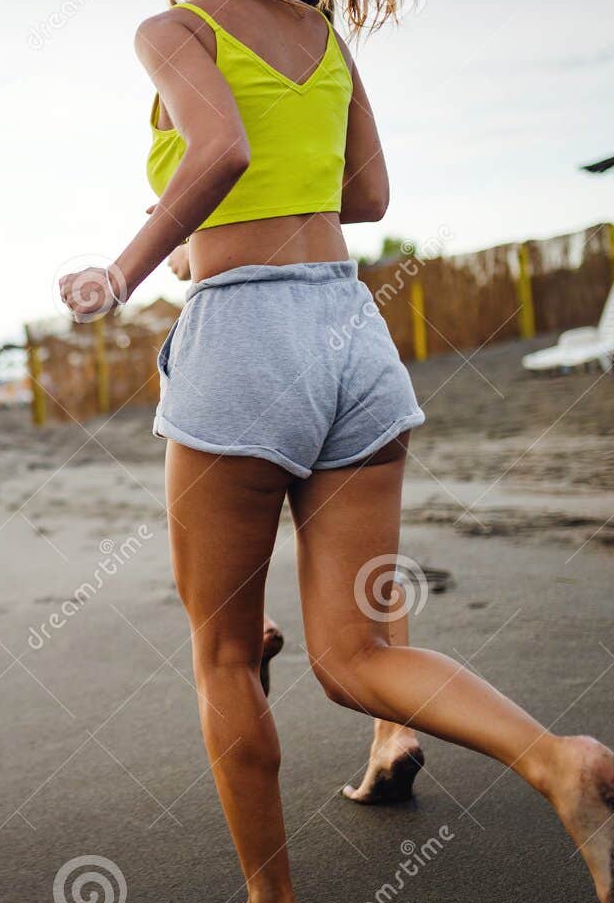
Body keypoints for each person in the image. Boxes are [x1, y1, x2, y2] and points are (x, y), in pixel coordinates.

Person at [60, 0, 614, 903]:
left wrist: (118, 272)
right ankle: (557, 759)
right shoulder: (318, 30)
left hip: (244, 338)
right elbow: (368, 193)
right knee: (353, 653)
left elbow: (218, 152)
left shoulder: (172, 29)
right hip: (350, 330)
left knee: (225, 657)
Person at [170, 247, 425, 803]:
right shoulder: (322, 160)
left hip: (242, 351)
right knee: (360, 560)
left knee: (223, 543)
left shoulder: (212, 158)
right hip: (340, 322)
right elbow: (367, 202)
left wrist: (172, 246)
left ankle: (255, 622)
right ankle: (395, 732)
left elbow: (191, 257)